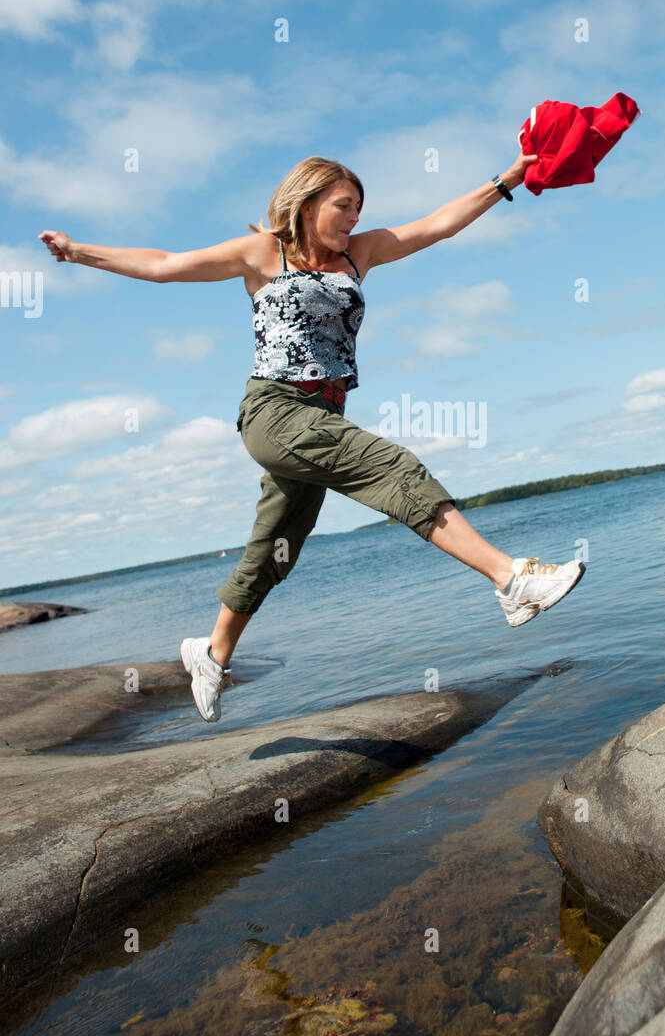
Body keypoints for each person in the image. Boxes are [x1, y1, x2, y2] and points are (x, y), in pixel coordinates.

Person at [38, 153, 586, 723]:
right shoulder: (261, 254)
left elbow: (440, 222)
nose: (353, 217)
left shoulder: (360, 253)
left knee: (277, 543)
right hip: (274, 411)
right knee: (394, 467)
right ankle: (511, 579)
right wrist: (80, 253)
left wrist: (508, 179)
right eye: (343, 205)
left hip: (324, 417)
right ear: (306, 202)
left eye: (358, 208)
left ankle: (212, 651)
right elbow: (165, 264)